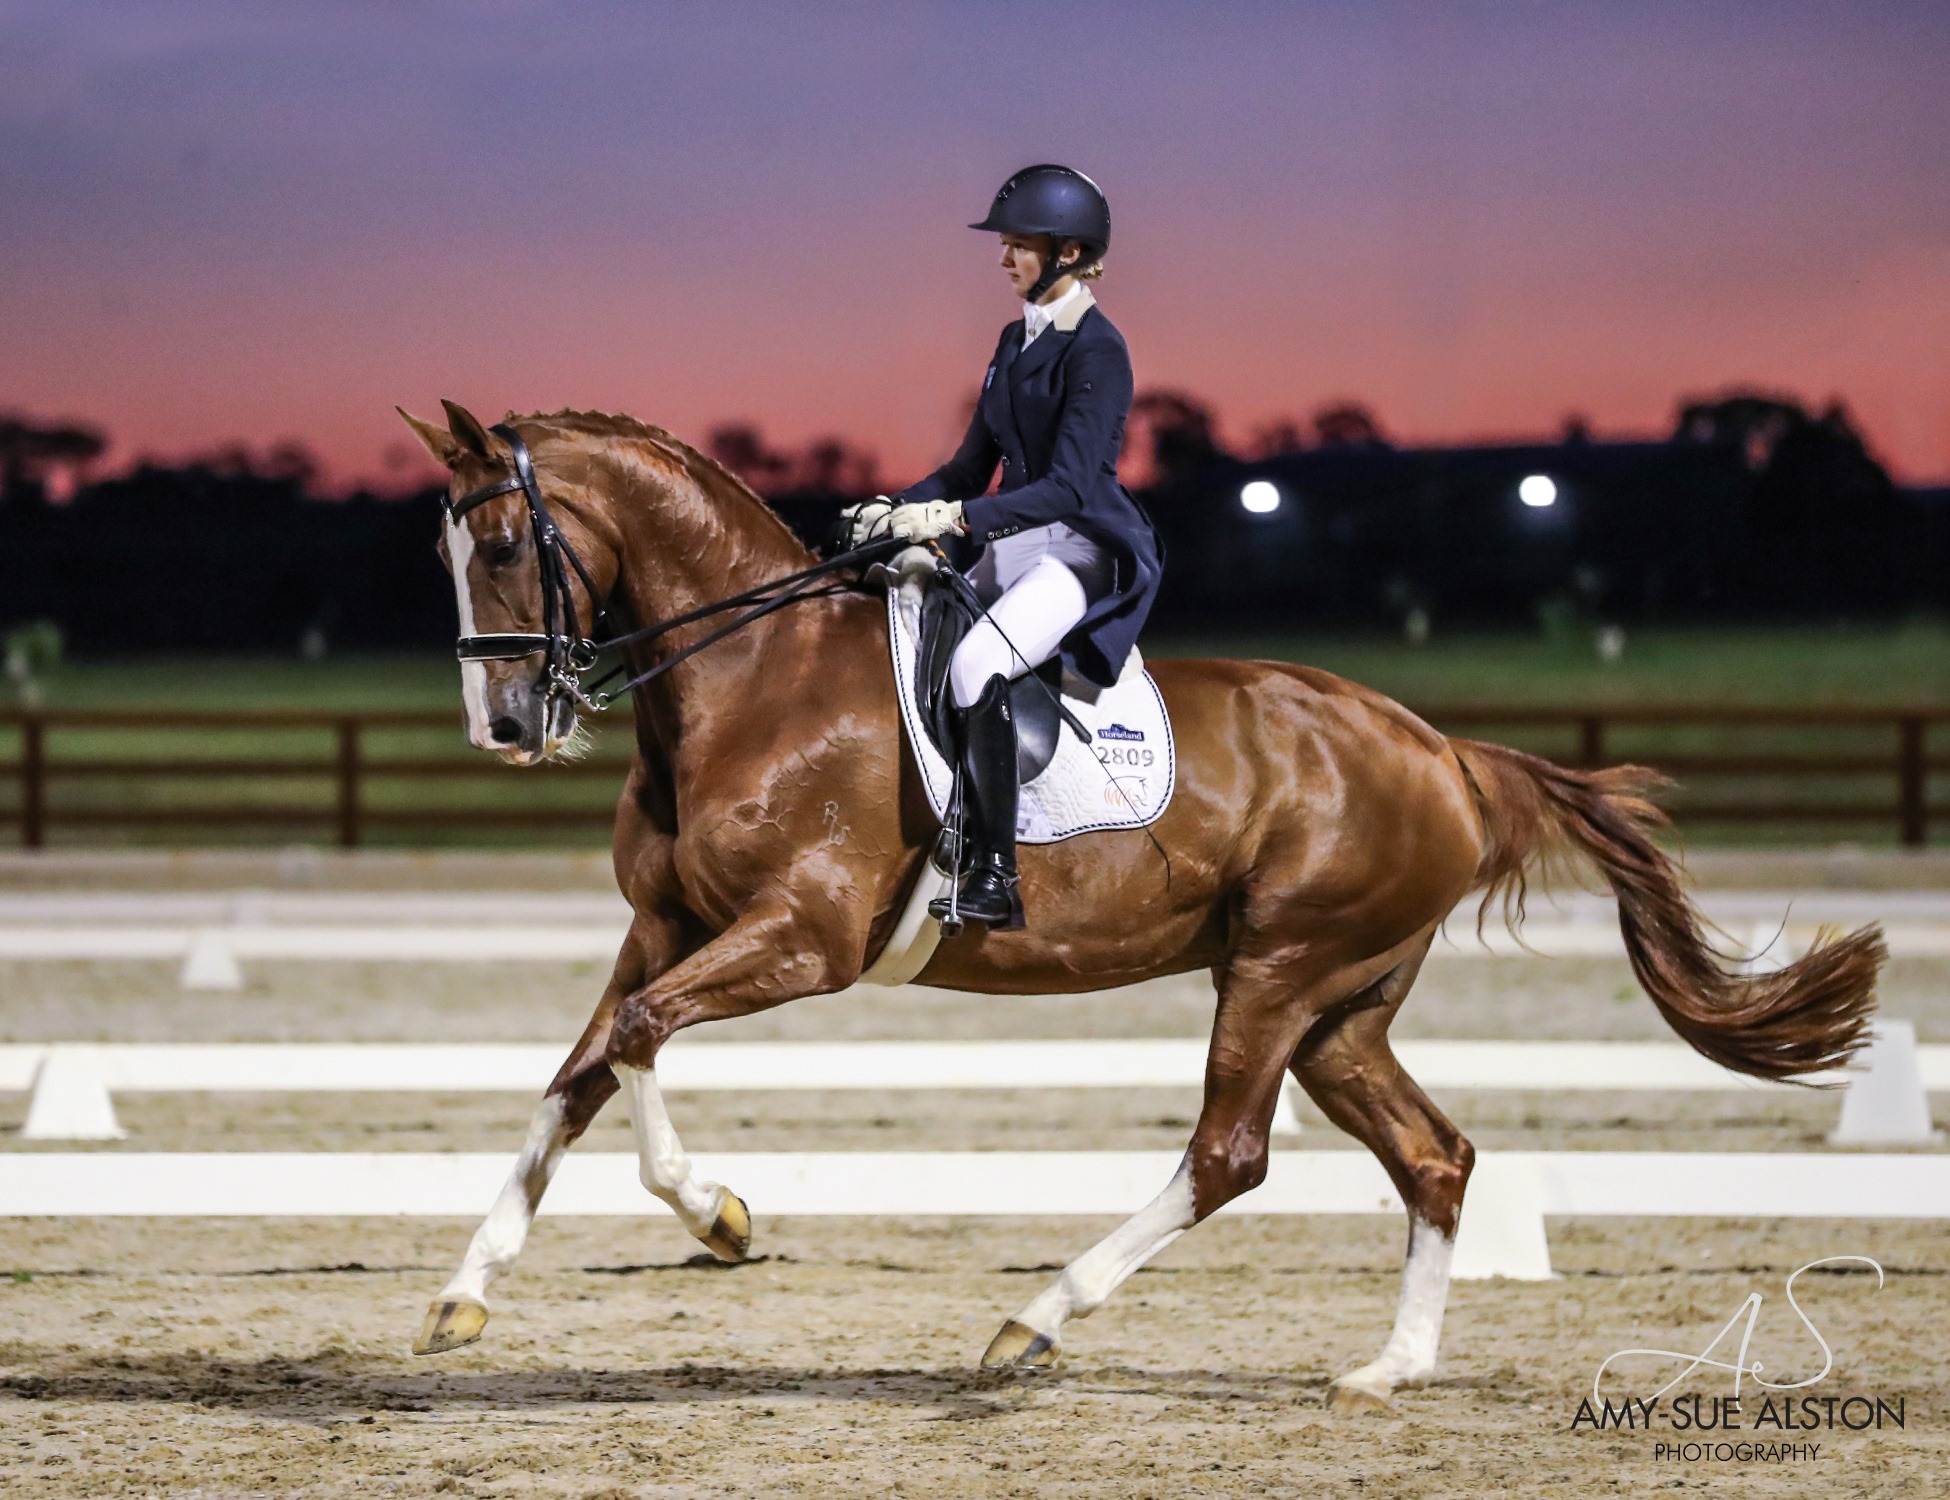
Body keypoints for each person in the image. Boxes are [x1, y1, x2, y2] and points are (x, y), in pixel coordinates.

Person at [848, 164, 1163, 931]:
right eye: (1007, 244)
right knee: (901, 624)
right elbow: (964, 469)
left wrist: (952, 521)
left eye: (1019, 245)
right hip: (1014, 541)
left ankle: (995, 875)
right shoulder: (1013, 340)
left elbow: (1070, 485)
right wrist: (896, 509)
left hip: (1081, 548)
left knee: (977, 662)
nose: (1003, 258)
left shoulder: (1099, 350)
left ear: (1069, 252)